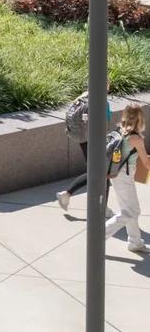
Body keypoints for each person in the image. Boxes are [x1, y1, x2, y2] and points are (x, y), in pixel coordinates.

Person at [55, 87, 112, 212]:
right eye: (107, 85)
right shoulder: (102, 100)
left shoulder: (83, 97)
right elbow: (106, 124)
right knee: (103, 172)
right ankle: (102, 209)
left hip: (82, 137)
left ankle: (67, 194)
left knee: (96, 171)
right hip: (95, 140)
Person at [105, 104, 147, 253]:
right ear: (140, 118)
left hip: (116, 173)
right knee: (131, 211)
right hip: (125, 176)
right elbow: (146, 163)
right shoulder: (136, 138)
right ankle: (99, 235)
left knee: (129, 209)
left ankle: (135, 243)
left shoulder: (119, 129)